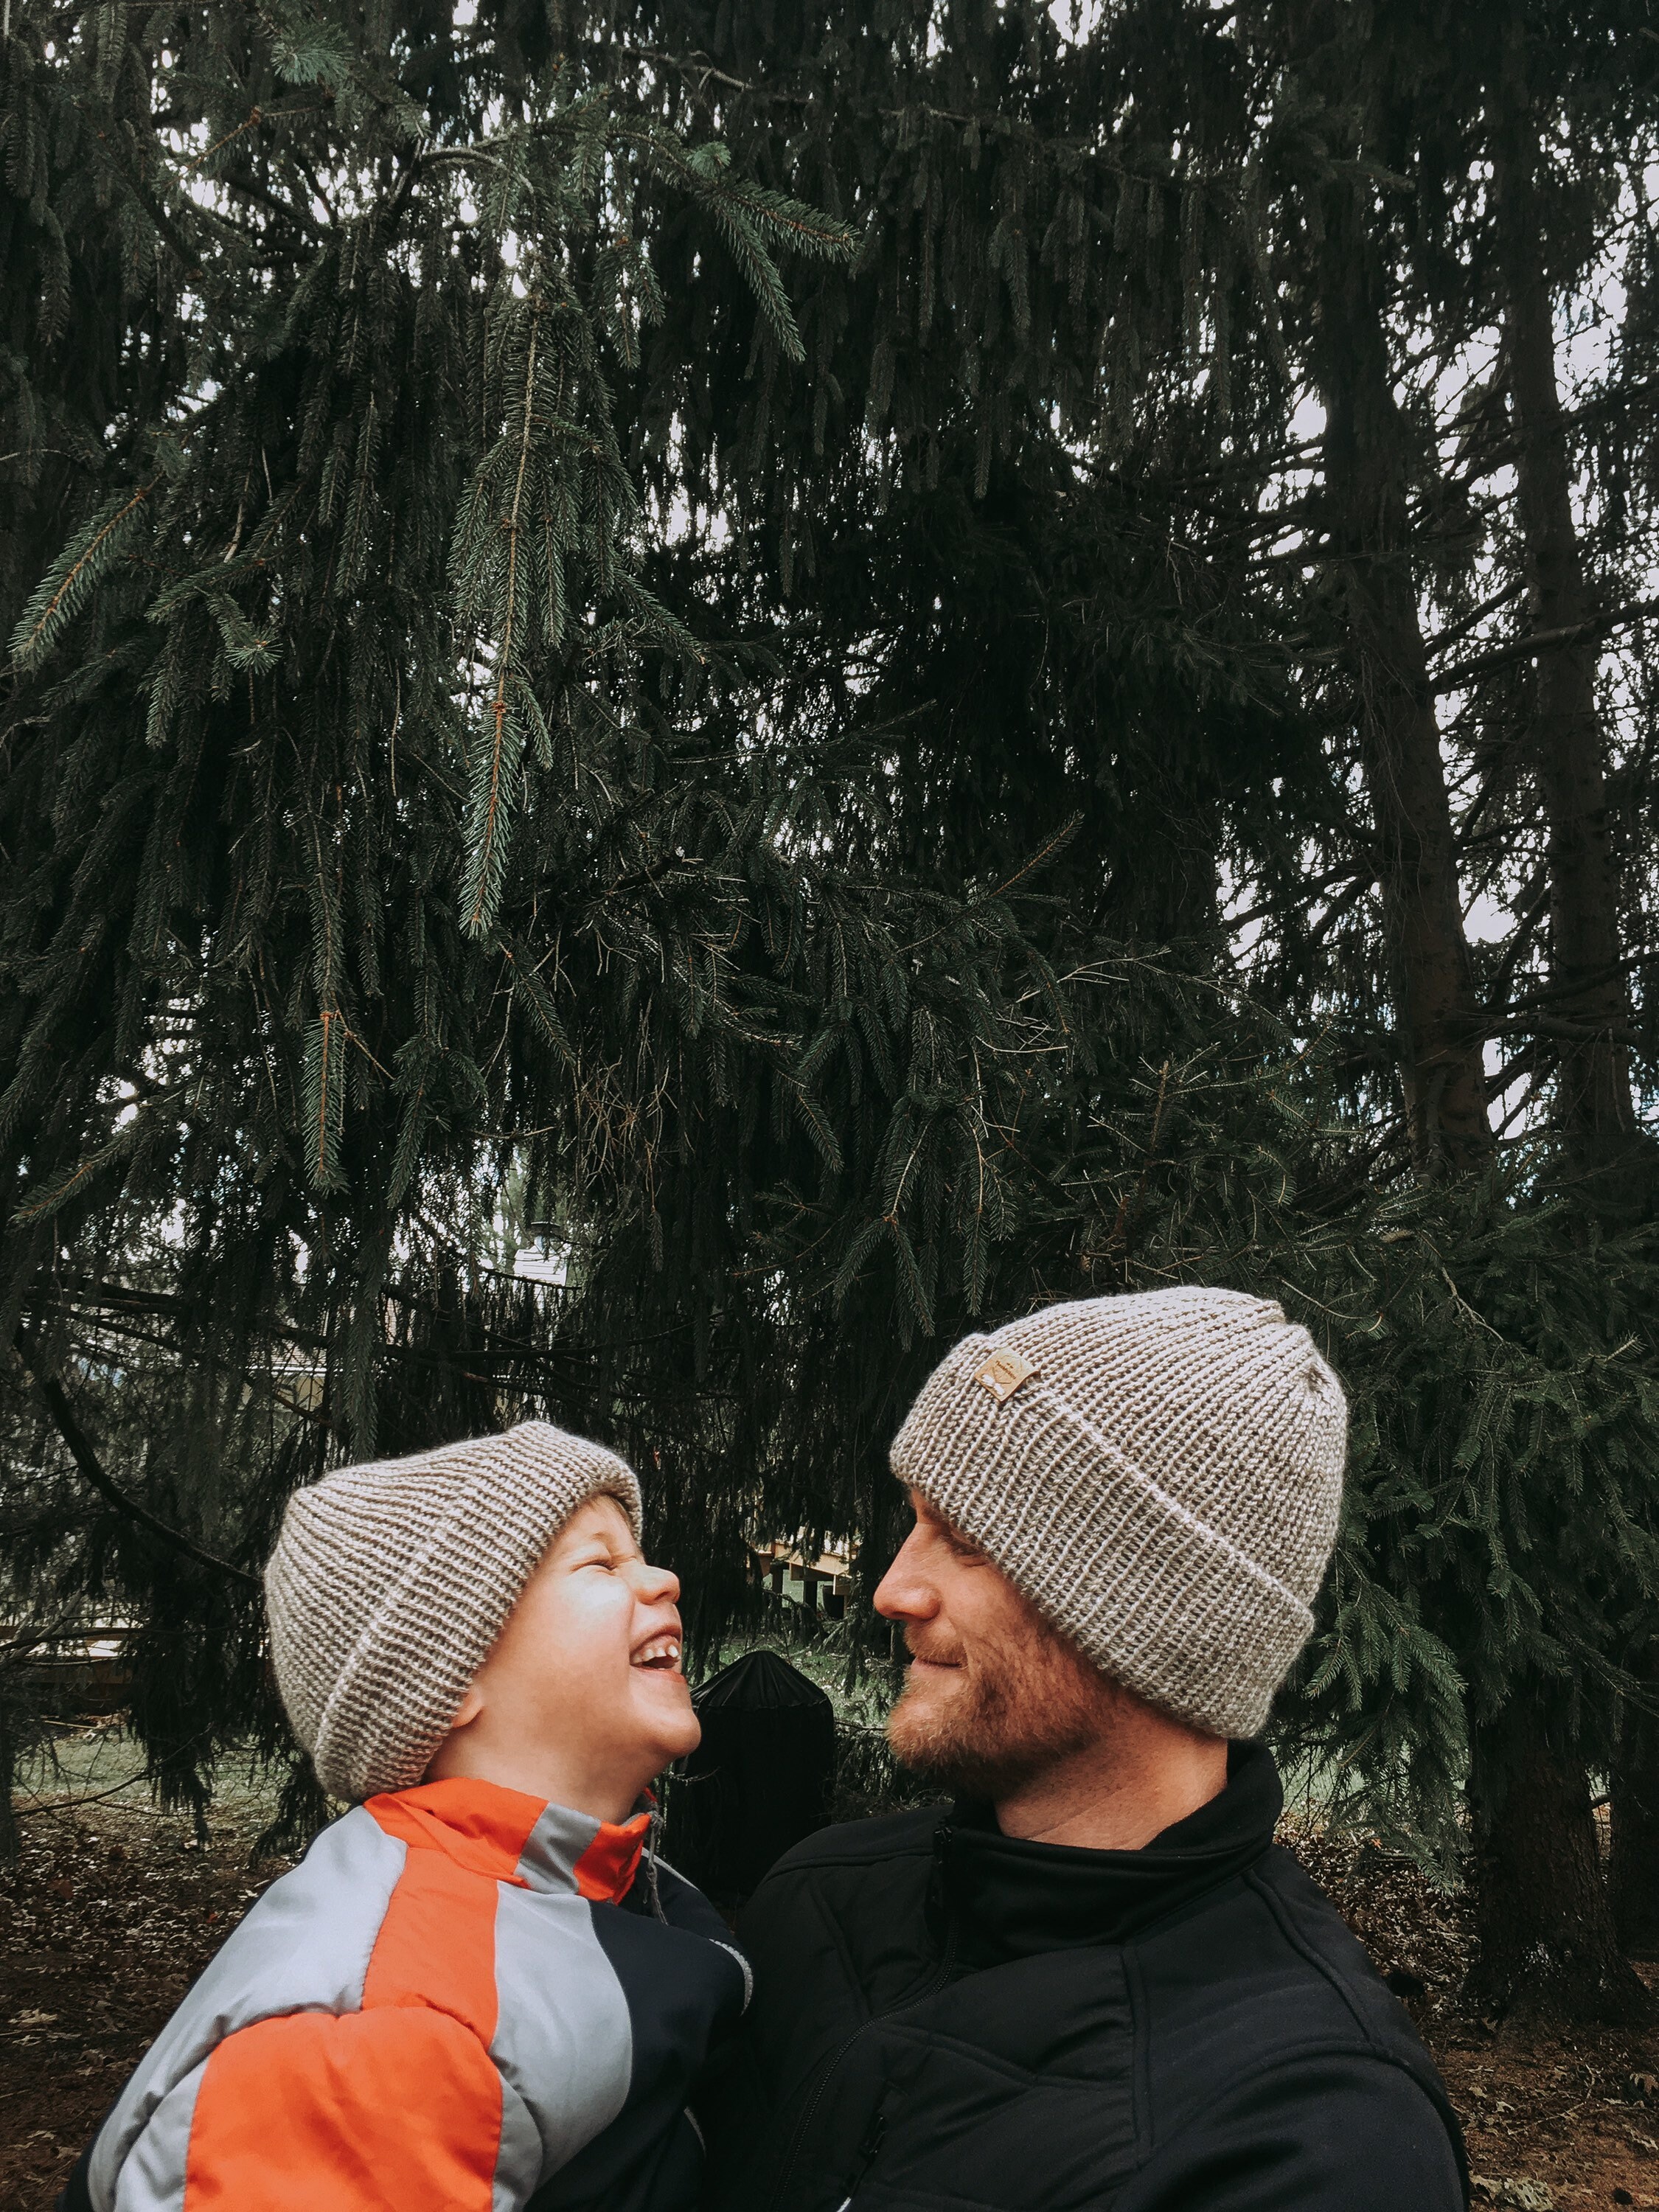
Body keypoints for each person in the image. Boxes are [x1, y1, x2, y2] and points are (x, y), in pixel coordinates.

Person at [706, 1287, 1469, 2212]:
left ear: (1157, 1617)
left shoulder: (1313, 2138)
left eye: (969, 1541)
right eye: (915, 1524)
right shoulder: (815, 1902)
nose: (894, 1589)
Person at [63, 1422, 748, 2212]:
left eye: (640, 1552)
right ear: (447, 1683)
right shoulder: (381, 2041)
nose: (663, 1579)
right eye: (599, 1561)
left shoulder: (597, 1881)